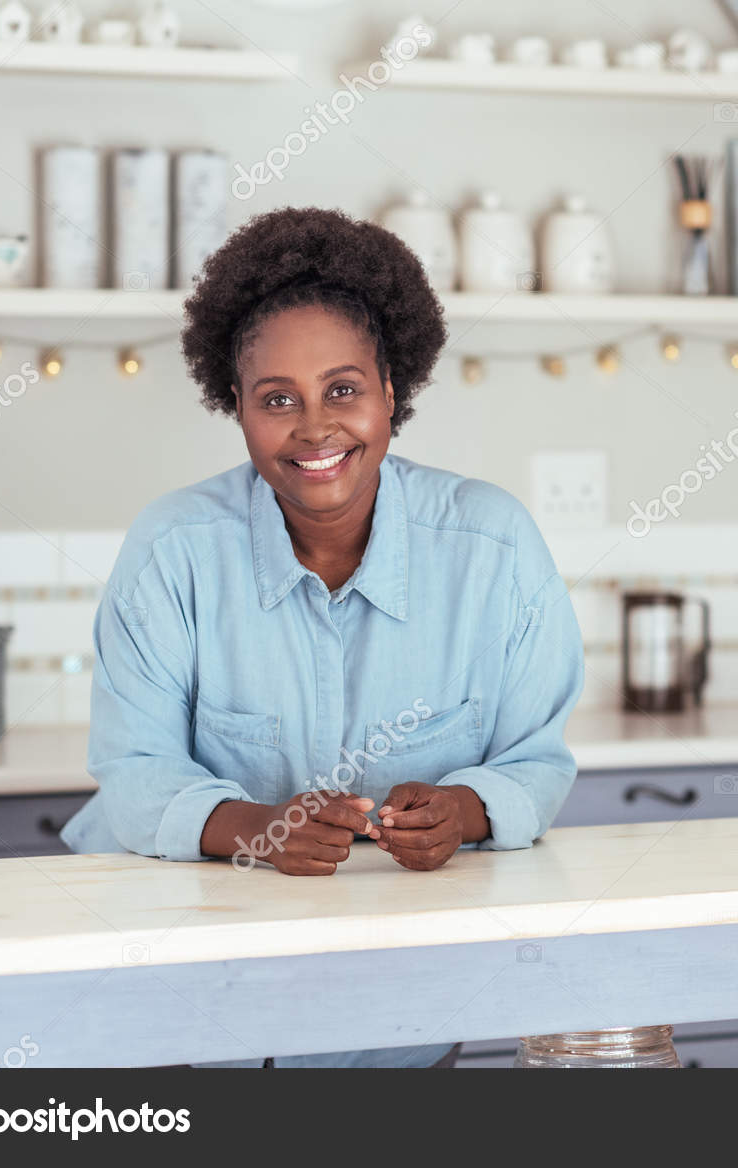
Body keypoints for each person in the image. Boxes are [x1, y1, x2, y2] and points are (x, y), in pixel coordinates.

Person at [61, 207, 585, 1067]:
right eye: (277, 400)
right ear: (236, 407)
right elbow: (134, 777)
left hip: (396, 1008)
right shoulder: (175, 550)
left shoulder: (493, 547)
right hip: (178, 1001)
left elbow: (537, 761)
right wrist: (258, 828)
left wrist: (462, 809)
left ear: (392, 391)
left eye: (343, 389)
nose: (314, 428)